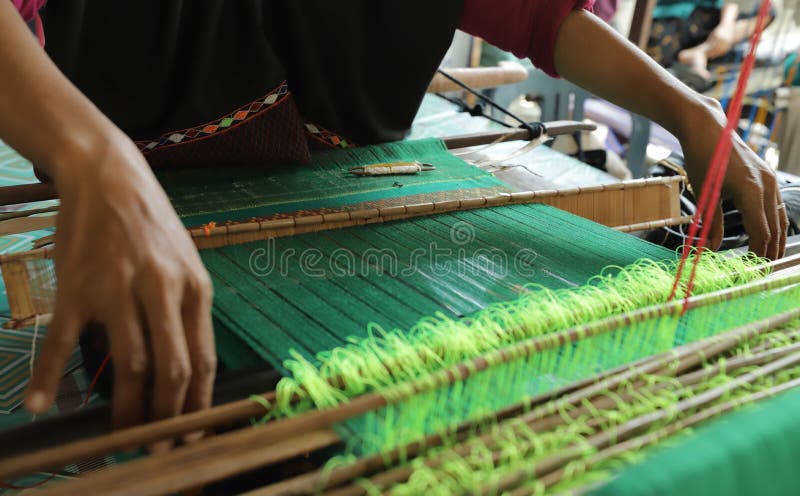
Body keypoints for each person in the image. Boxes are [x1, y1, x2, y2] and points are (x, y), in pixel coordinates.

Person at [0, 0, 786, 435]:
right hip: (137, 200)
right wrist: (90, 154)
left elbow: (539, 17)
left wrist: (691, 110)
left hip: (352, 197)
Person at [647, 0, 774, 83]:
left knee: (767, 12)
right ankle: (698, 53)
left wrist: (726, 27)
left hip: (701, 29)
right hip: (668, 22)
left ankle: (700, 52)